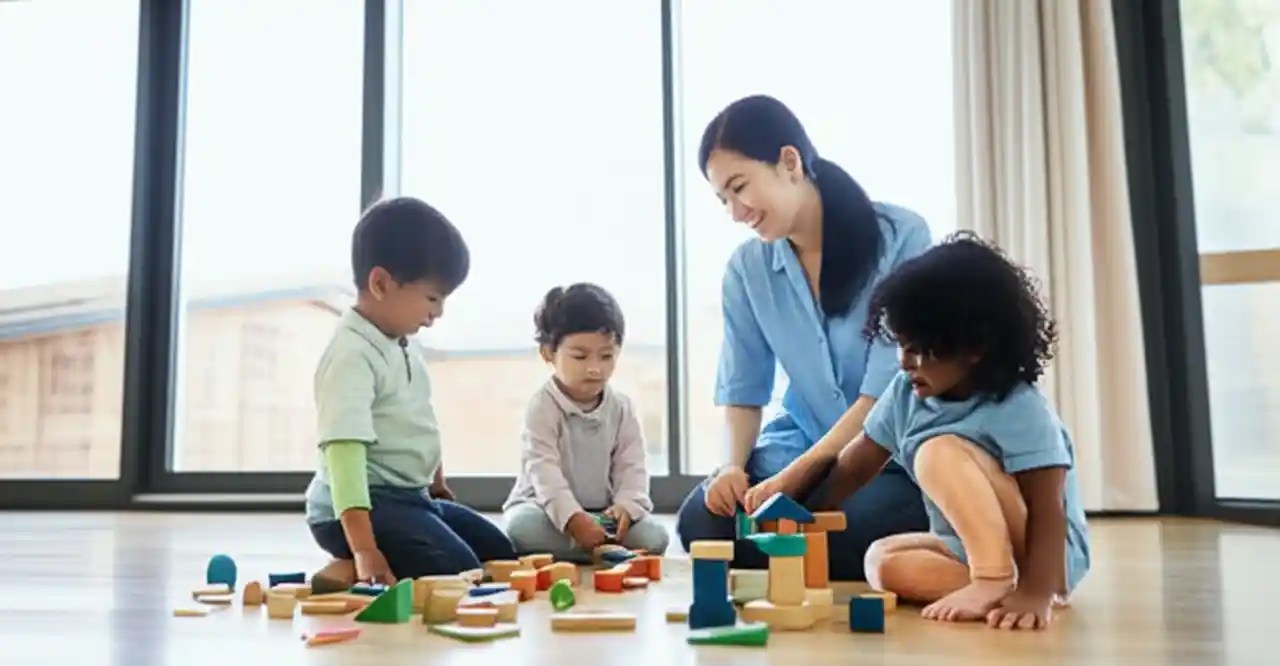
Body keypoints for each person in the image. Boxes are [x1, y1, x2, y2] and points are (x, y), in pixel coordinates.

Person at [675, 94, 931, 579]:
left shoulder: (901, 236)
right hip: (799, 442)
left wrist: (794, 481)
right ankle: (808, 551)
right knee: (702, 523)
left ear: (788, 162)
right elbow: (743, 390)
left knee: (846, 523)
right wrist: (732, 468)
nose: (735, 212)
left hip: (888, 457)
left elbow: (884, 394)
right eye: (722, 198)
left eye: (739, 187)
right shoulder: (748, 269)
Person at [777, 233, 1089, 630]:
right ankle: (996, 583)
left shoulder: (1019, 408)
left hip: (1046, 556)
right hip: (968, 548)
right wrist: (802, 512)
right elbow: (853, 468)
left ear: (975, 347)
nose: (907, 362)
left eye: (921, 348)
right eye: (902, 345)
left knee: (936, 451)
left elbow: (1048, 510)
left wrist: (1038, 591)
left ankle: (996, 580)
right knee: (881, 562)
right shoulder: (907, 393)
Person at [306, 196, 516, 589]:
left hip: (410, 498)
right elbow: (344, 457)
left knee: (500, 551)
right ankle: (354, 562)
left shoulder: (401, 343)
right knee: (457, 570)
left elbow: (418, 419)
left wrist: (436, 481)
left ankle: (359, 561)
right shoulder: (350, 356)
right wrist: (365, 547)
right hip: (357, 509)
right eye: (433, 297)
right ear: (381, 284)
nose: (438, 312)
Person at [502, 283, 670, 561]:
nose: (595, 368)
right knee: (521, 530)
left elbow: (633, 469)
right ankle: (603, 551)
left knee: (654, 537)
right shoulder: (542, 406)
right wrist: (573, 520)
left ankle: (594, 547)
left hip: (603, 513)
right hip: (544, 510)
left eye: (606, 356)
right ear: (548, 353)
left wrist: (625, 508)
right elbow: (545, 475)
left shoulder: (621, 407)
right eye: (580, 356)